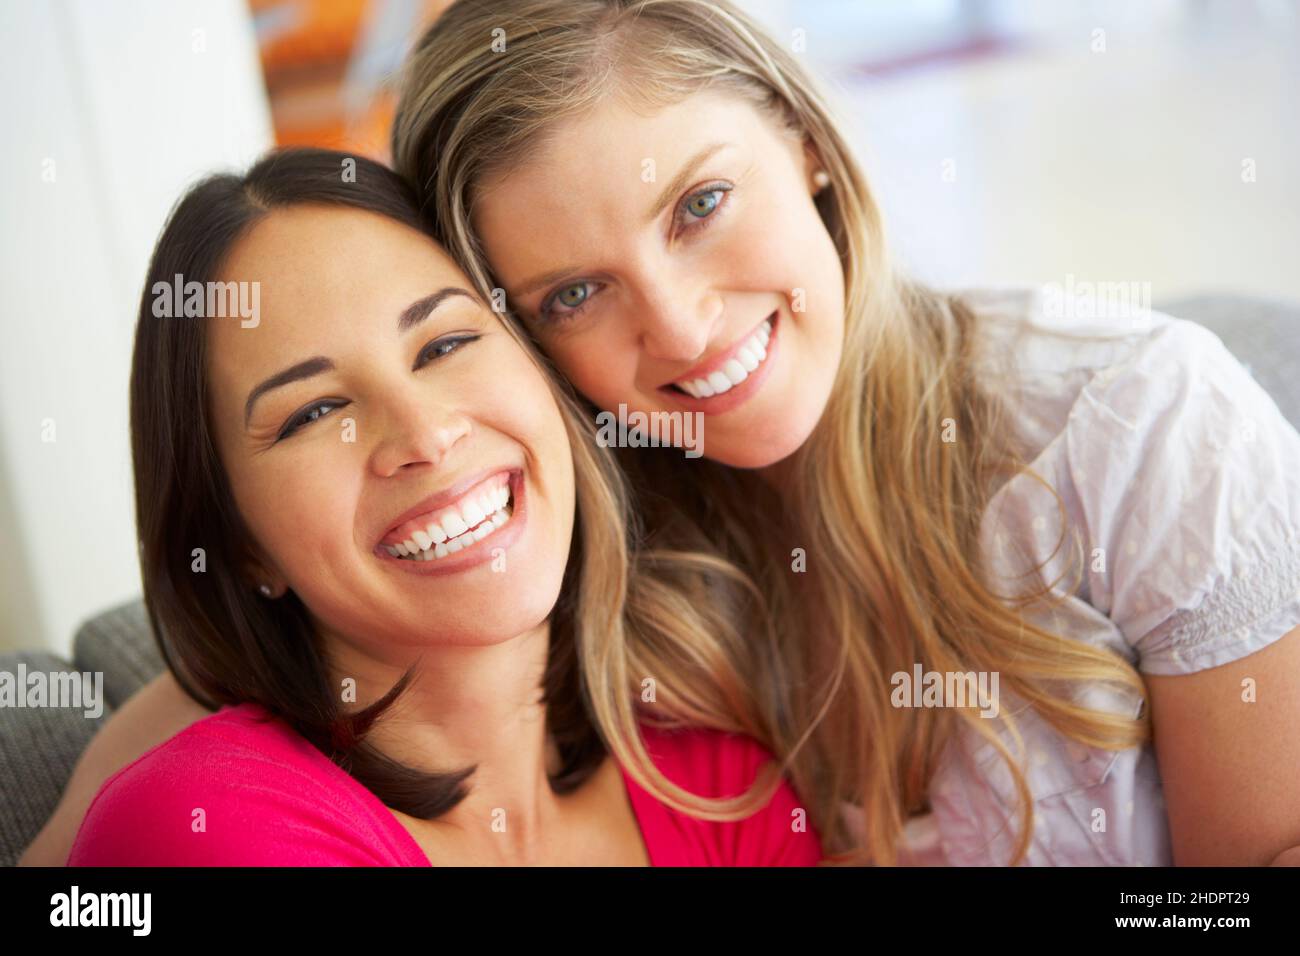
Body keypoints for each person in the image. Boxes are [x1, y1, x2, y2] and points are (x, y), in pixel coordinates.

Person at [58, 147, 822, 867]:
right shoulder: (204, 825)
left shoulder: (714, 780)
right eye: (312, 413)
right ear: (239, 545)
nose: (425, 434)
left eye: (444, 345)